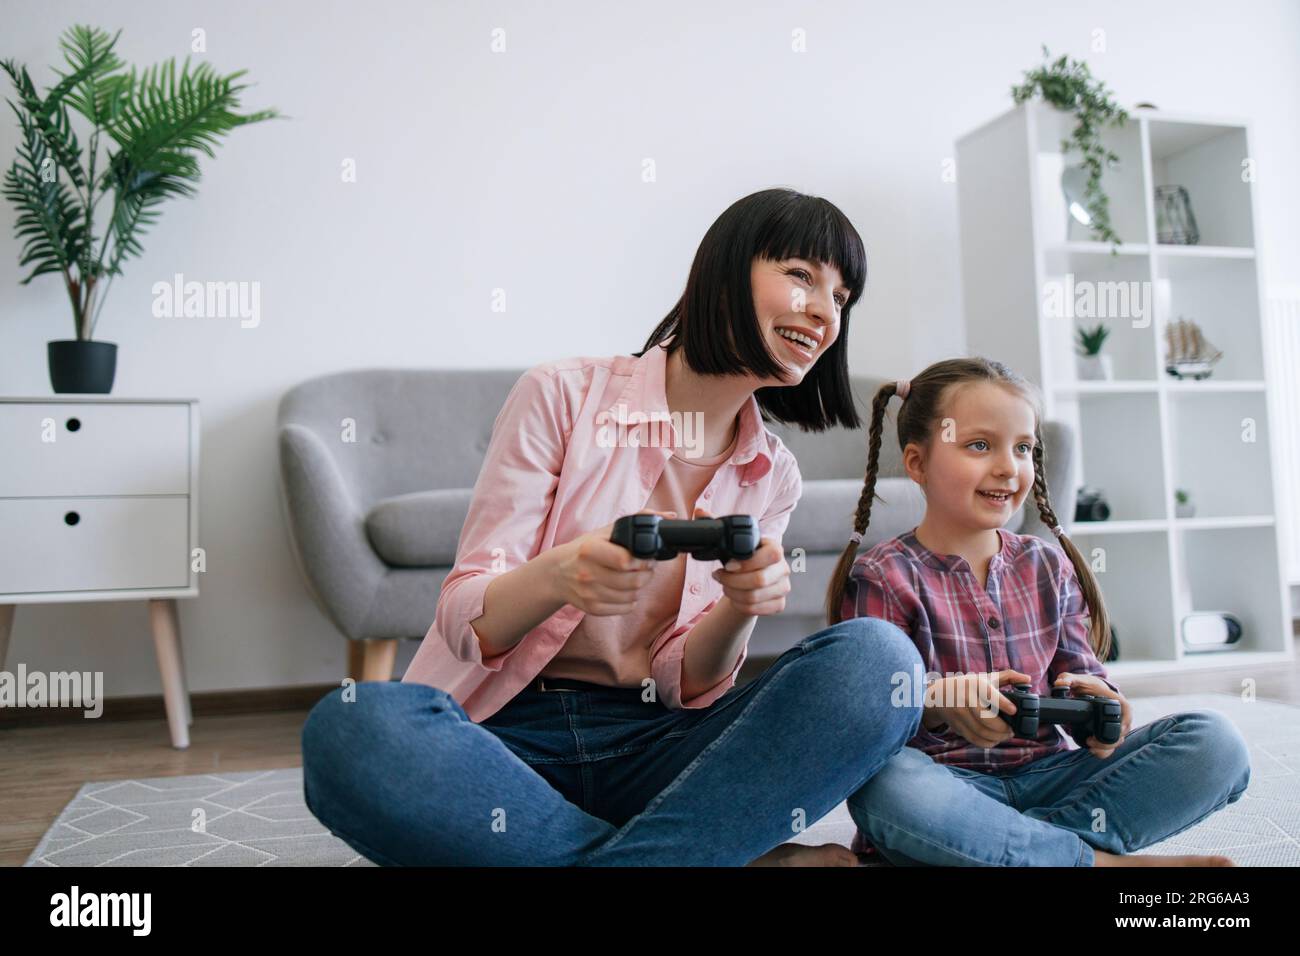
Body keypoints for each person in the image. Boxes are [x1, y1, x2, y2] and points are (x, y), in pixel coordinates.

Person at [301, 187, 925, 865]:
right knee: (355, 724)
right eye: (802, 276)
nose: (824, 312)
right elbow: (464, 619)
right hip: (505, 745)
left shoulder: (773, 473)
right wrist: (561, 574)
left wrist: (740, 609)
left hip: (659, 751)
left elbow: (689, 678)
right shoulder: (561, 395)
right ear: (725, 270)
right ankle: (699, 856)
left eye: (841, 297)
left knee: (879, 662)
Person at [823, 357, 1251, 866]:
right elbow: (867, 719)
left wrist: (1102, 708)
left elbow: (1082, 676)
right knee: (886, 786)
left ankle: (1002, 853)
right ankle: (1097, 863)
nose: (1008, 466)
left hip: (1052, 781)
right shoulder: (884, 575)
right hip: (947, 788)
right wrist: (937, 702)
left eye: (1023, 448)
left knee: (1215, 744)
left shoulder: (1045, 564)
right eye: (979, 445)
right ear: (917, 463)